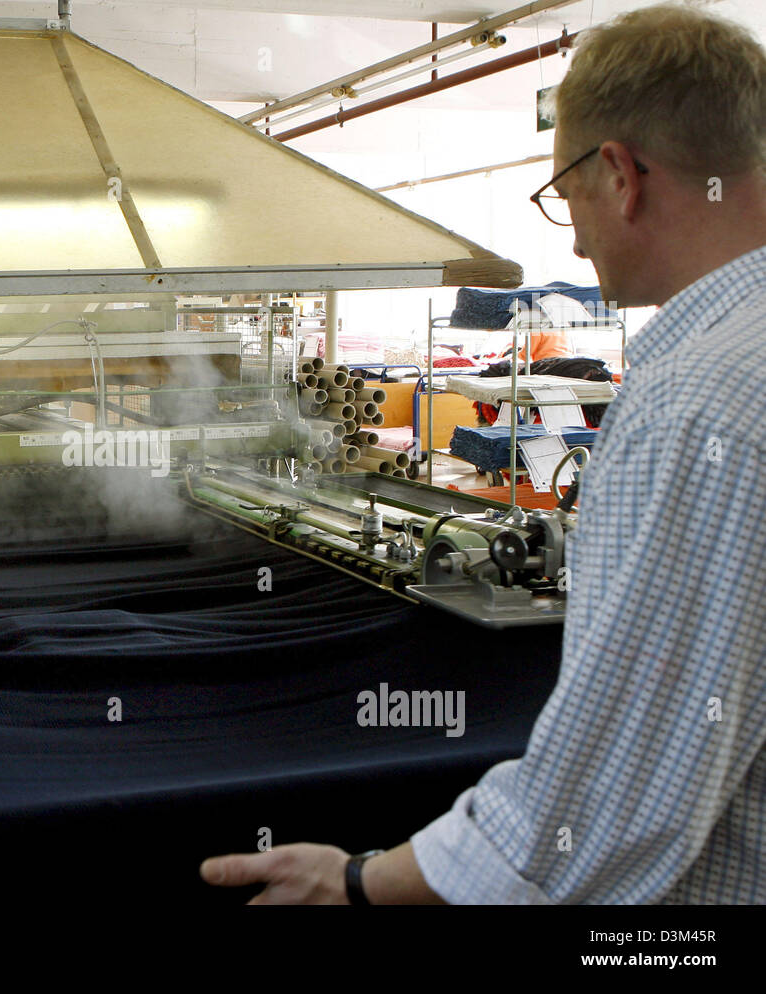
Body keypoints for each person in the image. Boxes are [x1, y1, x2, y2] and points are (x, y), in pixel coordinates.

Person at [201, 1, 766, 904]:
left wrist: (358, 880)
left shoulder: (693, 408)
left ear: (617, 174)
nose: (572, 236)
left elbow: (606, 802)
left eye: (564, 192)